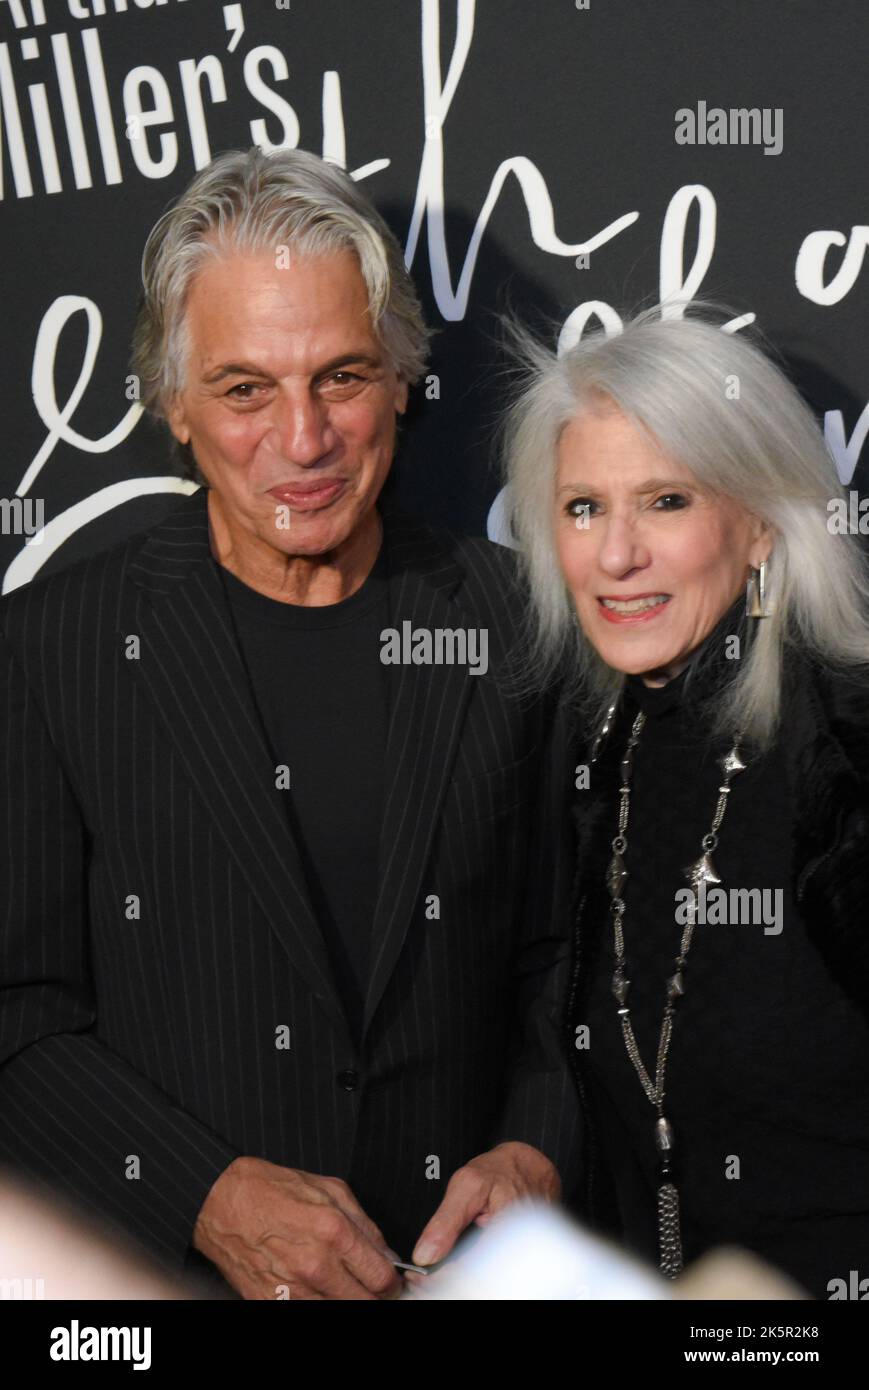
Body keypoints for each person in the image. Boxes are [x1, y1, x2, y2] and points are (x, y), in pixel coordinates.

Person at [0, 146, 581, 1300]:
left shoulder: (517, 622)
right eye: (244, 387)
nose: (304, 439)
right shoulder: (47, 648)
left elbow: (564, 961)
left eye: (343, 376)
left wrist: (534, 1149)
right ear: (172, 400)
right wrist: (203, 1196)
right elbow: (16, 1018)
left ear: (406, 376)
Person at [501, 305, 869, 1297]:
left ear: (757, 524)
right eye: (582, 508)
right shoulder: (586, 757)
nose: (615, 556)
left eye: (664, 501)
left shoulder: (846, 755)